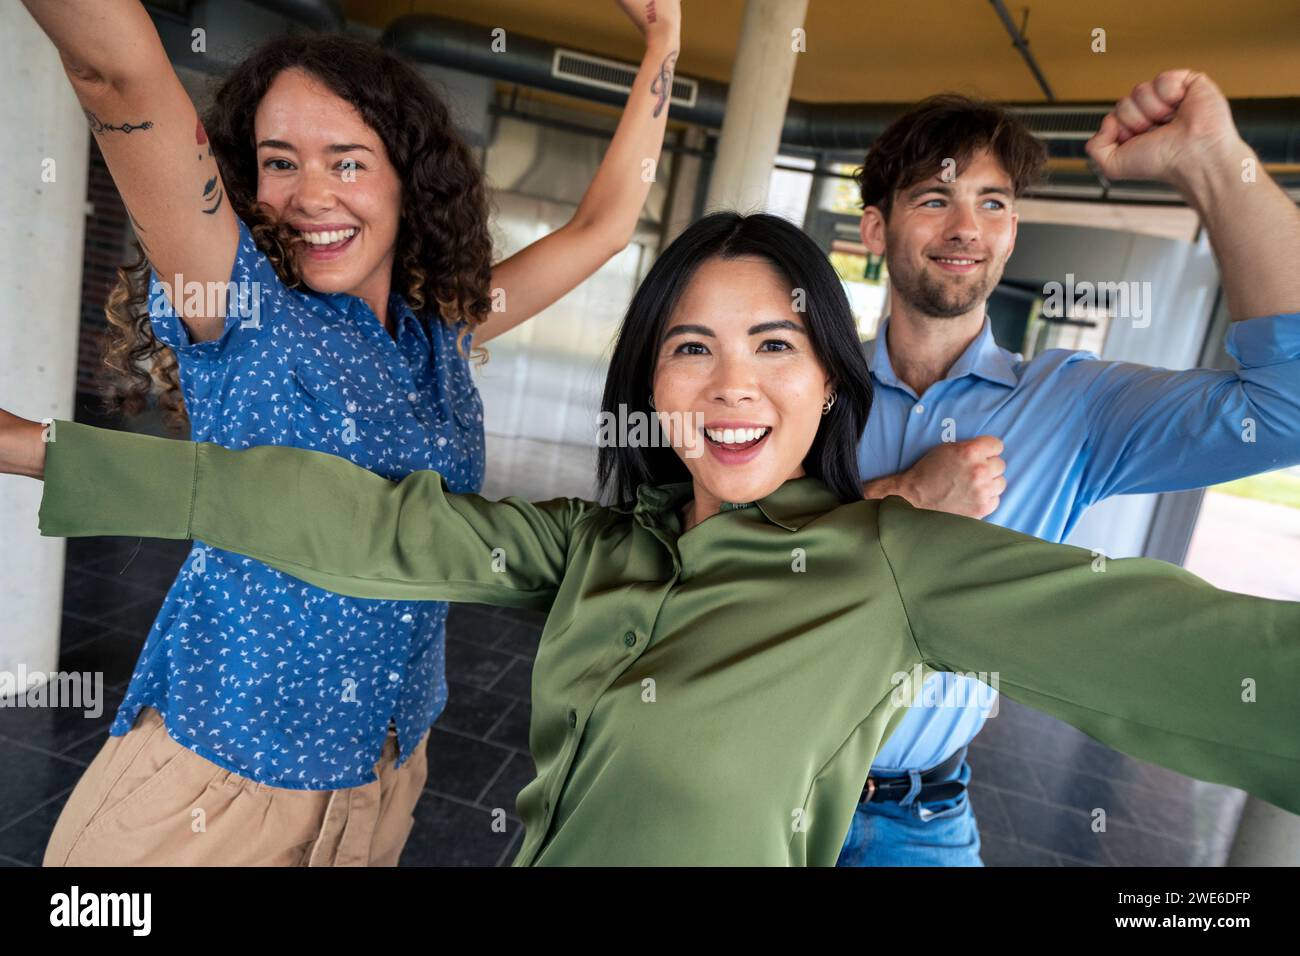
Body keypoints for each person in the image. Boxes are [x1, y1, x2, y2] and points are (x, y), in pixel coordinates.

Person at [4, 211, 1298, 866]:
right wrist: (40, 449)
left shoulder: (892, 567)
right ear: (651, 382)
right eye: (692, 346)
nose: (732, 383)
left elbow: (1196, 656)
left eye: (775, 344)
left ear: (831, 382)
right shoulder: (597, 546)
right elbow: (370, 524)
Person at [15, 0, 681, 865]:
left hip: (383, 774)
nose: (310, 195)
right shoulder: (238, 305)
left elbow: (603, 229)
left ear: (409, 180)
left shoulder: (439, 329)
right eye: (279, 162)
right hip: (219, 788)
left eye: (348, 161)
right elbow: (115, 72)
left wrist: (664, 36)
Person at [841, 71, 1300, 866]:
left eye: (992, 203)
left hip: (921, 818)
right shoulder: (801, 386)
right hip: (771, 784)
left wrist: (1216, 161)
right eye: (934, 199)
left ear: (1012, 232)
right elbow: (724, 557)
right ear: (876, 229)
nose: (967, 227)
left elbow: (1289, 401)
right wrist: (902, 498)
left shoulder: (1072, 404)